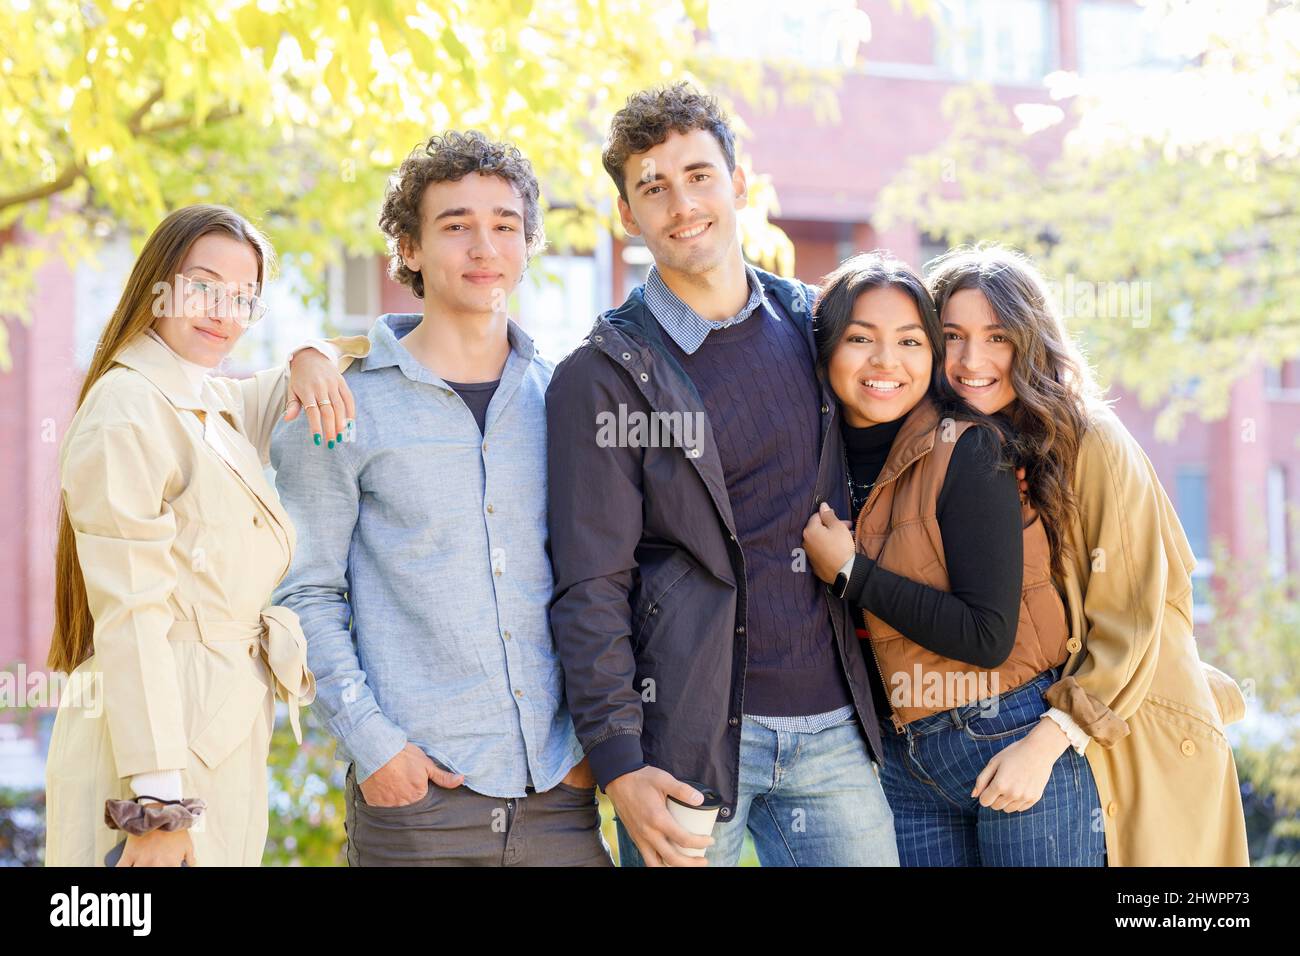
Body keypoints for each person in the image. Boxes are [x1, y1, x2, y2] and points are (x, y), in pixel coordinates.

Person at [547, 84, 897, 867]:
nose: (682, 203)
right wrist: (620, 760)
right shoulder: (602, 378)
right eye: (653, 187)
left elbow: (928, 389)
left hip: (837, 729)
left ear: (738, 186)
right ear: (626, 215)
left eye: (699, 175)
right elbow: (588, 585)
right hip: (687, 744)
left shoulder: (819, 327)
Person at [271, 131, 612, 867]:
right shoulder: (341, 405)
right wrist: (375, 746)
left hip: (561, 791)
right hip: (419, 802)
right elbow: (306, 592)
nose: (483, 246)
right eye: (456, 225)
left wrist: (595, 746)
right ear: (411, 248)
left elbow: (603, 578)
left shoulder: (566, 398)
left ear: (528, 245)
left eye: (505, 226)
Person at [45, 203, 370, 867]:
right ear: (155, 286)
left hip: (214, 739)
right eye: (203, 287)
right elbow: (132, 615)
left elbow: (341, 356)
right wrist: (158, 808)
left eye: (245, 298)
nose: (224, 312)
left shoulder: (209, 402)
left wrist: (310, 352)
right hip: (156, 761)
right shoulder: (129, 409)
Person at [925, 243, 1250, 865]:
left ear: (1032, 343)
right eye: (952, 336)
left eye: (997, 337)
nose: (971, 360)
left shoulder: (1092, 440)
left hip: (1137, 741)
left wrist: (1044, 744)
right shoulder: (962, 445)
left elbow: (1128, 622)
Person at [801, 251, 1104, 866]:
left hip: (1008, 736)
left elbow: (988, 635)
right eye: (861, 338)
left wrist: (852, 574)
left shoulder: (968, 448)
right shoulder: (812, 455)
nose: (886, 362)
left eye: (910, 340)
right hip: (901, 757)